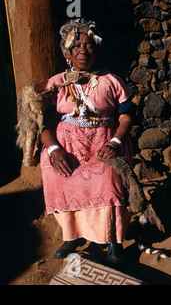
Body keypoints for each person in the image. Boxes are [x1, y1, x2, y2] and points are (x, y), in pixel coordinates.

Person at [40, 18, 135, 264]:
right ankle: (73, 235)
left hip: (103, 142)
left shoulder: (111, 81)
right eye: (77, 46)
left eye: (90, 45)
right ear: (67, 52)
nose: (83, 50)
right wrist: (53, 150)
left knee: (108, 177)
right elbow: (44, 125)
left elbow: (125, 118)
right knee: (55, 173)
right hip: (67, 145)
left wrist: (114, 143)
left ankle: (114, 240)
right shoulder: (57, 83)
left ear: (97, 49)